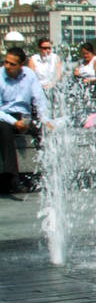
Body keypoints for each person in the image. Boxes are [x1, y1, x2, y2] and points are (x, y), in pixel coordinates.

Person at [1, 47, 49, 197]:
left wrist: (45, 119)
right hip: (4, 116)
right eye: (5, 62)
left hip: (24, 116)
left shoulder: (29, 75)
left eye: (12, 64)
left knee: (43, 130)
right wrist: (14, 122)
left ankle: (47, 174)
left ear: (21, 65)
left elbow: (39, 99)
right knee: (4, 131)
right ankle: (13, 180)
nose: (7, 66)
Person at [28, 38, 62, 104]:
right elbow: (30, 77)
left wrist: (52, 84)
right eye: (45, 48)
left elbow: (58, 75)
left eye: (49, 48)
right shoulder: (33, 59)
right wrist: (40, 86)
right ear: (39, 48)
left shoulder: (55, 58)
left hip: (52, 88)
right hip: (39, 88)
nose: (47, 50)